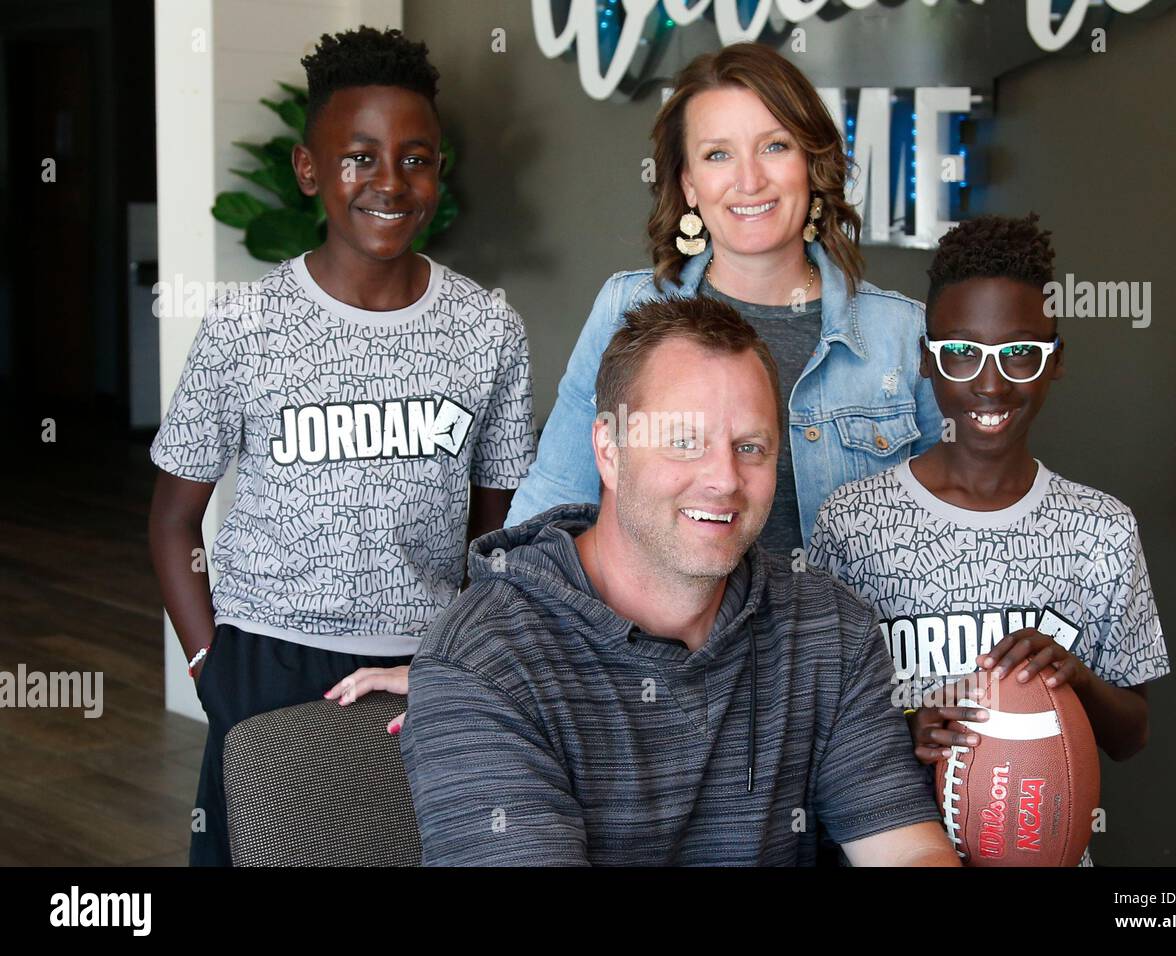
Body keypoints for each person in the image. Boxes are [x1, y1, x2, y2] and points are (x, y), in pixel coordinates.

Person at [148, 27, 534, 866]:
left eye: (417, 158)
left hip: (424, 671)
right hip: (265, 662)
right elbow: (174, 520)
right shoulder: (245, 327)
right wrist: (211, 663)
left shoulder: (488, 328)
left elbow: (494, 536)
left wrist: (462, 662)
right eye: (360, 157)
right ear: (309, 169)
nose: (390, 182)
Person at [399, 295, 959, 866]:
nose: (724, 479)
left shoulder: (827, 626)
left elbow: (908, 849)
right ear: (609, 451)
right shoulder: (485, 660)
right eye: (684, 442)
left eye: (750, 448)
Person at [807, 214, 1170, 865]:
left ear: (1055, 360)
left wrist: (1078, 681)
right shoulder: (854, 522)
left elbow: (1131, 736)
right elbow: (819, 727)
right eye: (961, 352)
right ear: (926, 358)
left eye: (1020, 352)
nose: (991, 382)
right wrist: (910, 722)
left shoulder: (1103, 529)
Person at [505, 42, 943, 559]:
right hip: (662, 640)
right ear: (689, 183)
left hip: (850, 637)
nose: (749, 179)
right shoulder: (627, 309)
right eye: (718, 154)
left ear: (811, 162)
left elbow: (948, 536)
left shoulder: (900, 333)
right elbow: (549, 512)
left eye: (775, 146)